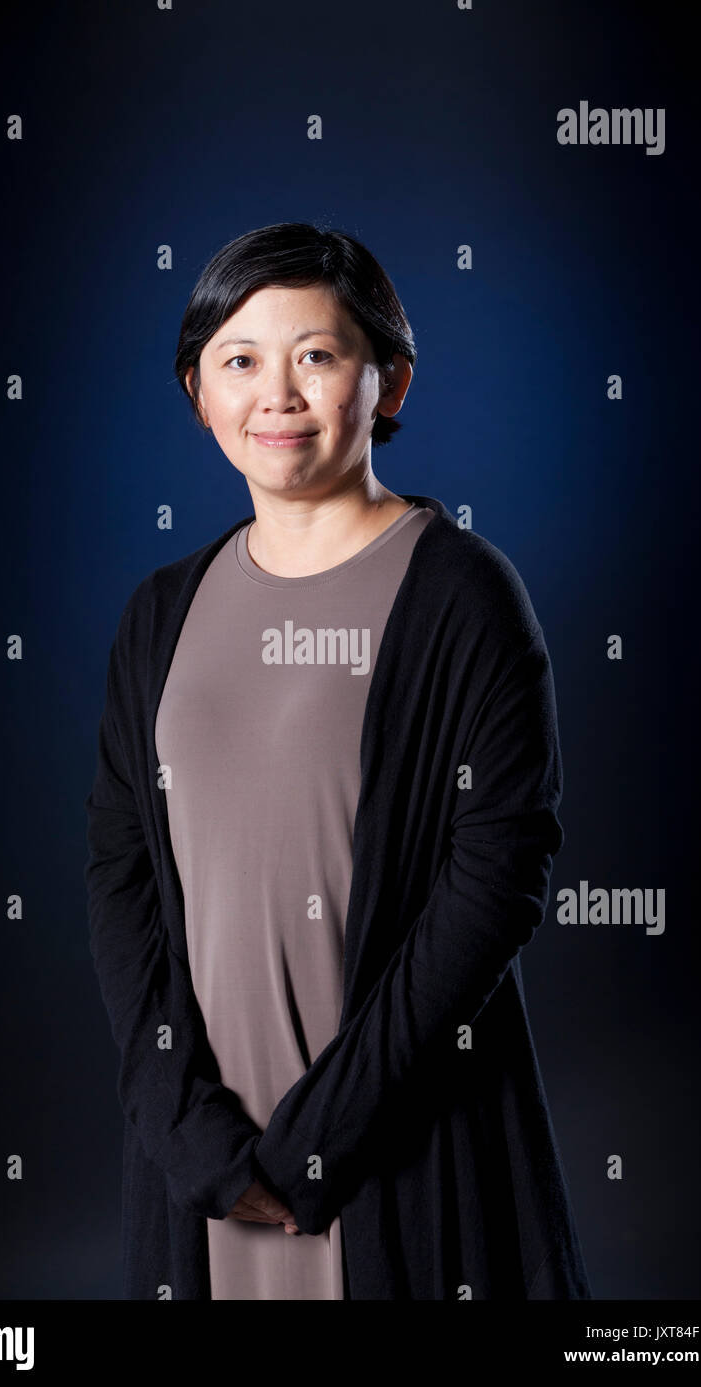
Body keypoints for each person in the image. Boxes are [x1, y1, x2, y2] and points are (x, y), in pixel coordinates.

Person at [84, 221, 592, 1300]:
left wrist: (320, 1137)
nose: (277, 393)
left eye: (315, 354)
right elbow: (120, 876)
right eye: (239, 360)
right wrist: (188, 1131)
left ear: (387, 379)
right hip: (206, 1165)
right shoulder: (157, 618)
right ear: (197, 394)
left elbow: (494, 881)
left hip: (398, 1137)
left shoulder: (463, 596)